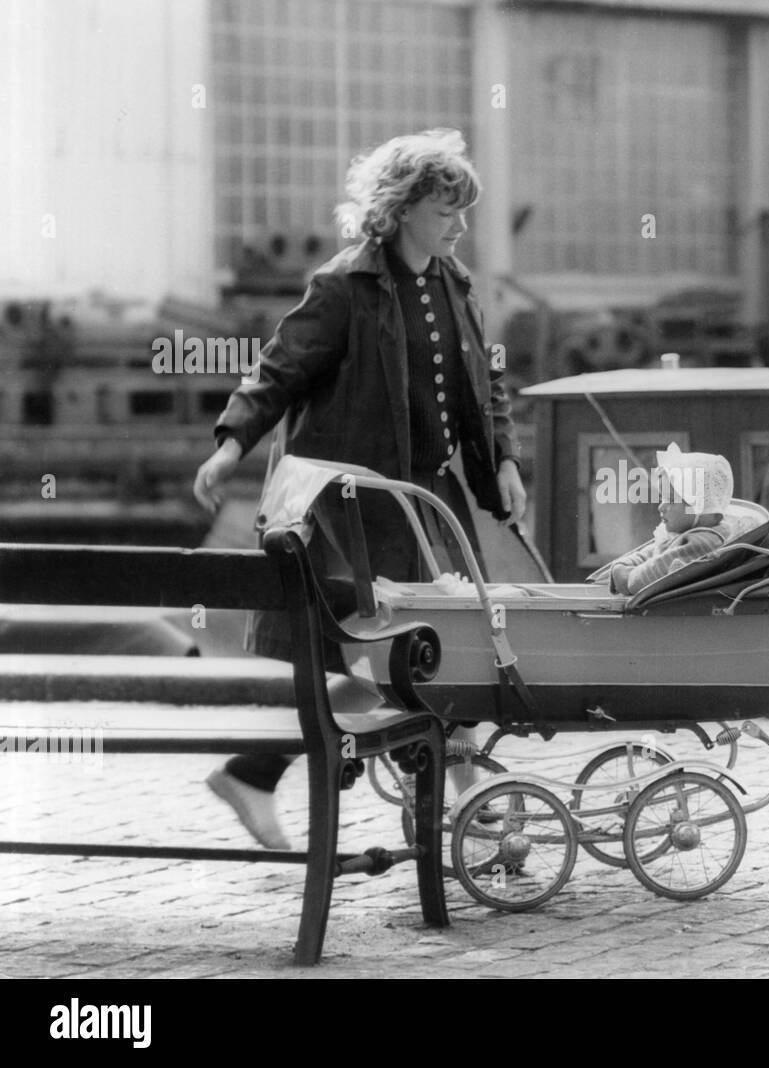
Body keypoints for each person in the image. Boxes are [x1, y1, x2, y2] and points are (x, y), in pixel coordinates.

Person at [193, 129, 526, 849]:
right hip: (357, 511)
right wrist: (229, 448)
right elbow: (276, 373)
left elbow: (484, 385)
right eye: (446, 210)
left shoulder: (454, 283)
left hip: (429, 505)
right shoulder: (345, 285)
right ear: (402, 208)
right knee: (408, 659)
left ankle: (457, 802)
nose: (460, 225)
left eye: (463, 210)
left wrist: (503, 461)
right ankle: (469, 805)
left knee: (443, 652)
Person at [606, 444, 736, 596]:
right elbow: (652, 552)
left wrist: (626, 577)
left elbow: (648, 576)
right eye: (662, 498)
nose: (661, 506)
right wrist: (622, 565)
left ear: (700, 509)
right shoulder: (681, 534)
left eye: (671, 500)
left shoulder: (704, 543)